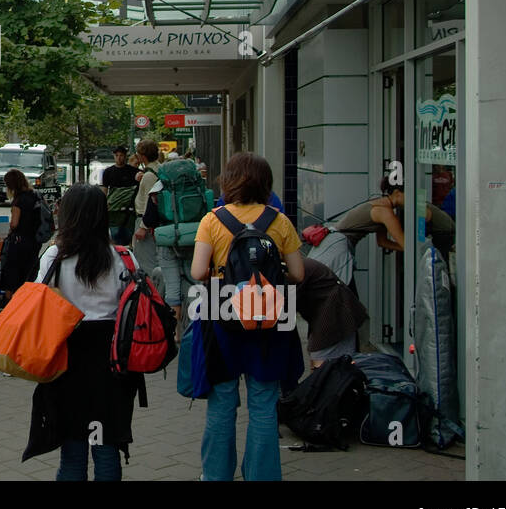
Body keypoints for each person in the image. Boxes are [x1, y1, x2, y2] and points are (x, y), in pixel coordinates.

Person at [191, 152, 305, 482]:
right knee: (264, 405)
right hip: (270, 321)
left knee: (222, 404)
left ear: (228, 181)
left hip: (222, 316)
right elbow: (297, 274)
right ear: (265, 184)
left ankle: (215, 476)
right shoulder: (279, 221)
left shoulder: (212, 220)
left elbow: (199, 271)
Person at [22, 183, 143, 480]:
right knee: (106, 445)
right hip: (114, 363)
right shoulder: (124, 258)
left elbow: (37, 302)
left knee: (73, 447)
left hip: (66, 360)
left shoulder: (55, 257)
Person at [296, 257, 368, 368]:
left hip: (337, 314)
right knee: (324, 366)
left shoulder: (291, 270)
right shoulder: (293, 265)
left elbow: (285, 317)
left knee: (324, 366)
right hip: (332, 312)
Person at [129, 139, 165, 313]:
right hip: (151, 224)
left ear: (142, 155)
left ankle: (151, 299)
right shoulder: (157, 169)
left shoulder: (149, 176)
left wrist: (143, 226)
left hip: (145, 222)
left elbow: (151, 202)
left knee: (145, 262)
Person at [0, 169, 41, 303]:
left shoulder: (19, 200)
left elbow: (14, 224)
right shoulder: (34, 195)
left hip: (19, 240)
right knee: (29, 269)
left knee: (12, 268)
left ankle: (9, 298)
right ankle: (26, 298)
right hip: (34, 240)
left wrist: (10, 230)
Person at [100, 145, 138, 245]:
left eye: (121, 155)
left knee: (127, 234)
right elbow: (104, 189)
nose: (119, 158)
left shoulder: (133, 171)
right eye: (116, 155)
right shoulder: (108, 172)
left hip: (128, 210)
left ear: (125, 156)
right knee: (115, 234)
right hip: (113, 209)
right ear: (114, 156)